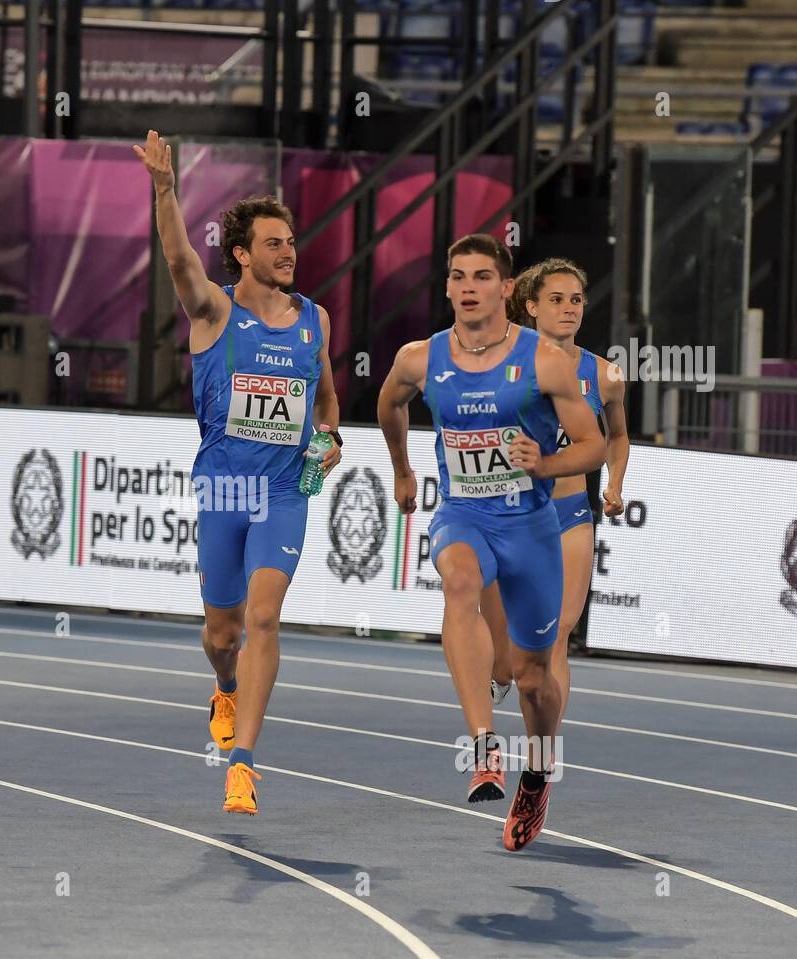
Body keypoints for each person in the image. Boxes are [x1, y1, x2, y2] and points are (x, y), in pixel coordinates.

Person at [133, 130, 341, 815]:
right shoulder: (214, 311)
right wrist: (166, 188)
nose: (290, 252)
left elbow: (328, 397)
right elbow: (176, 255)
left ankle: (243, 764)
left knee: (264, 617)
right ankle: (224, 685)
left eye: (291, 241)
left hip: (283, 492)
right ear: (244, 253)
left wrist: (330, 436)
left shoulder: (316, 321)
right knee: (223, 633)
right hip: (225, 488)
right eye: (275, 243)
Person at [376, 234, 604, 851]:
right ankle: (483, 745)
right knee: (459, 580)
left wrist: (547, 462)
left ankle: (537, 772)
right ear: (447, 287)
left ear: (507, 289)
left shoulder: (544, 362)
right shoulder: (420, 358)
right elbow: (389, 403)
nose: (468, 287)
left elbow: (594, 445)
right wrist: (402, 468)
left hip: (530, 528)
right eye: (457, 277)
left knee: (534, 679)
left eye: (481, 276)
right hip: (463, 514)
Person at [481, 259, 630, 720]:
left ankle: (542, 763)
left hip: (568, 513)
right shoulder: (503, 362)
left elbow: (618, 436)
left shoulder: (605, 375)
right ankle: (501, 672)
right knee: (507, 649)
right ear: (531, 306)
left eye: (577, 300)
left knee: (558, 633)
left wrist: (615, 483)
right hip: (510, 513)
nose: (569, 309)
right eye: (557, 300)